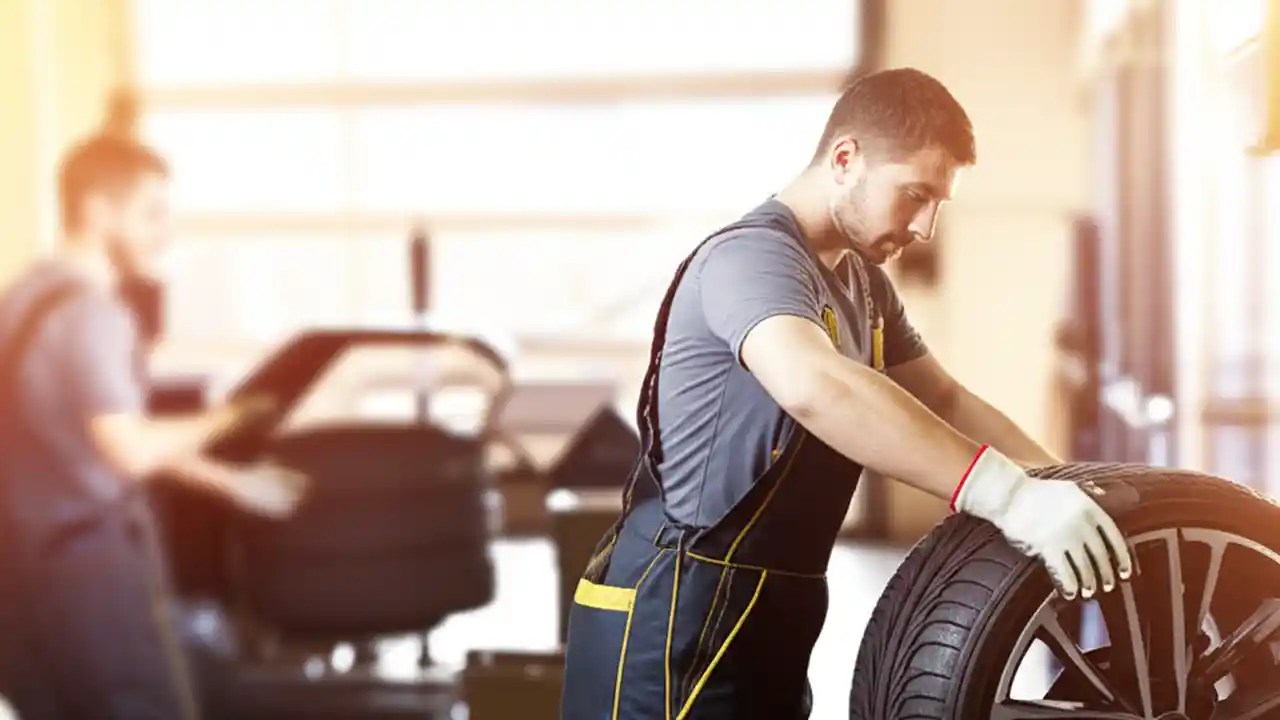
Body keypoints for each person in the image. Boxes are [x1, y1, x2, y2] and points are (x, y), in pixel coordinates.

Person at [560, 68, 1134, 719]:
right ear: (844, 159)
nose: (924, 227)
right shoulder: (752, 259)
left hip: (776, 606)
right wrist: (1005, 494)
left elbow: (942, 400)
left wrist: (1062, 485)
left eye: (937, 205)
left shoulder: (862, 282)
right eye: (914, 194)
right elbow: (813, 384)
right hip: (677, 608)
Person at [0, 134, 308, 719]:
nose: (164, 232)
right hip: (90, 572)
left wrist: (225, 482)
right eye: (150, 214)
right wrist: (233, 415)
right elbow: (130, 451)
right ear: (96, 211)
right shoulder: (93, 313)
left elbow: (89, 436)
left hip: (18, 575)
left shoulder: (20, 296)